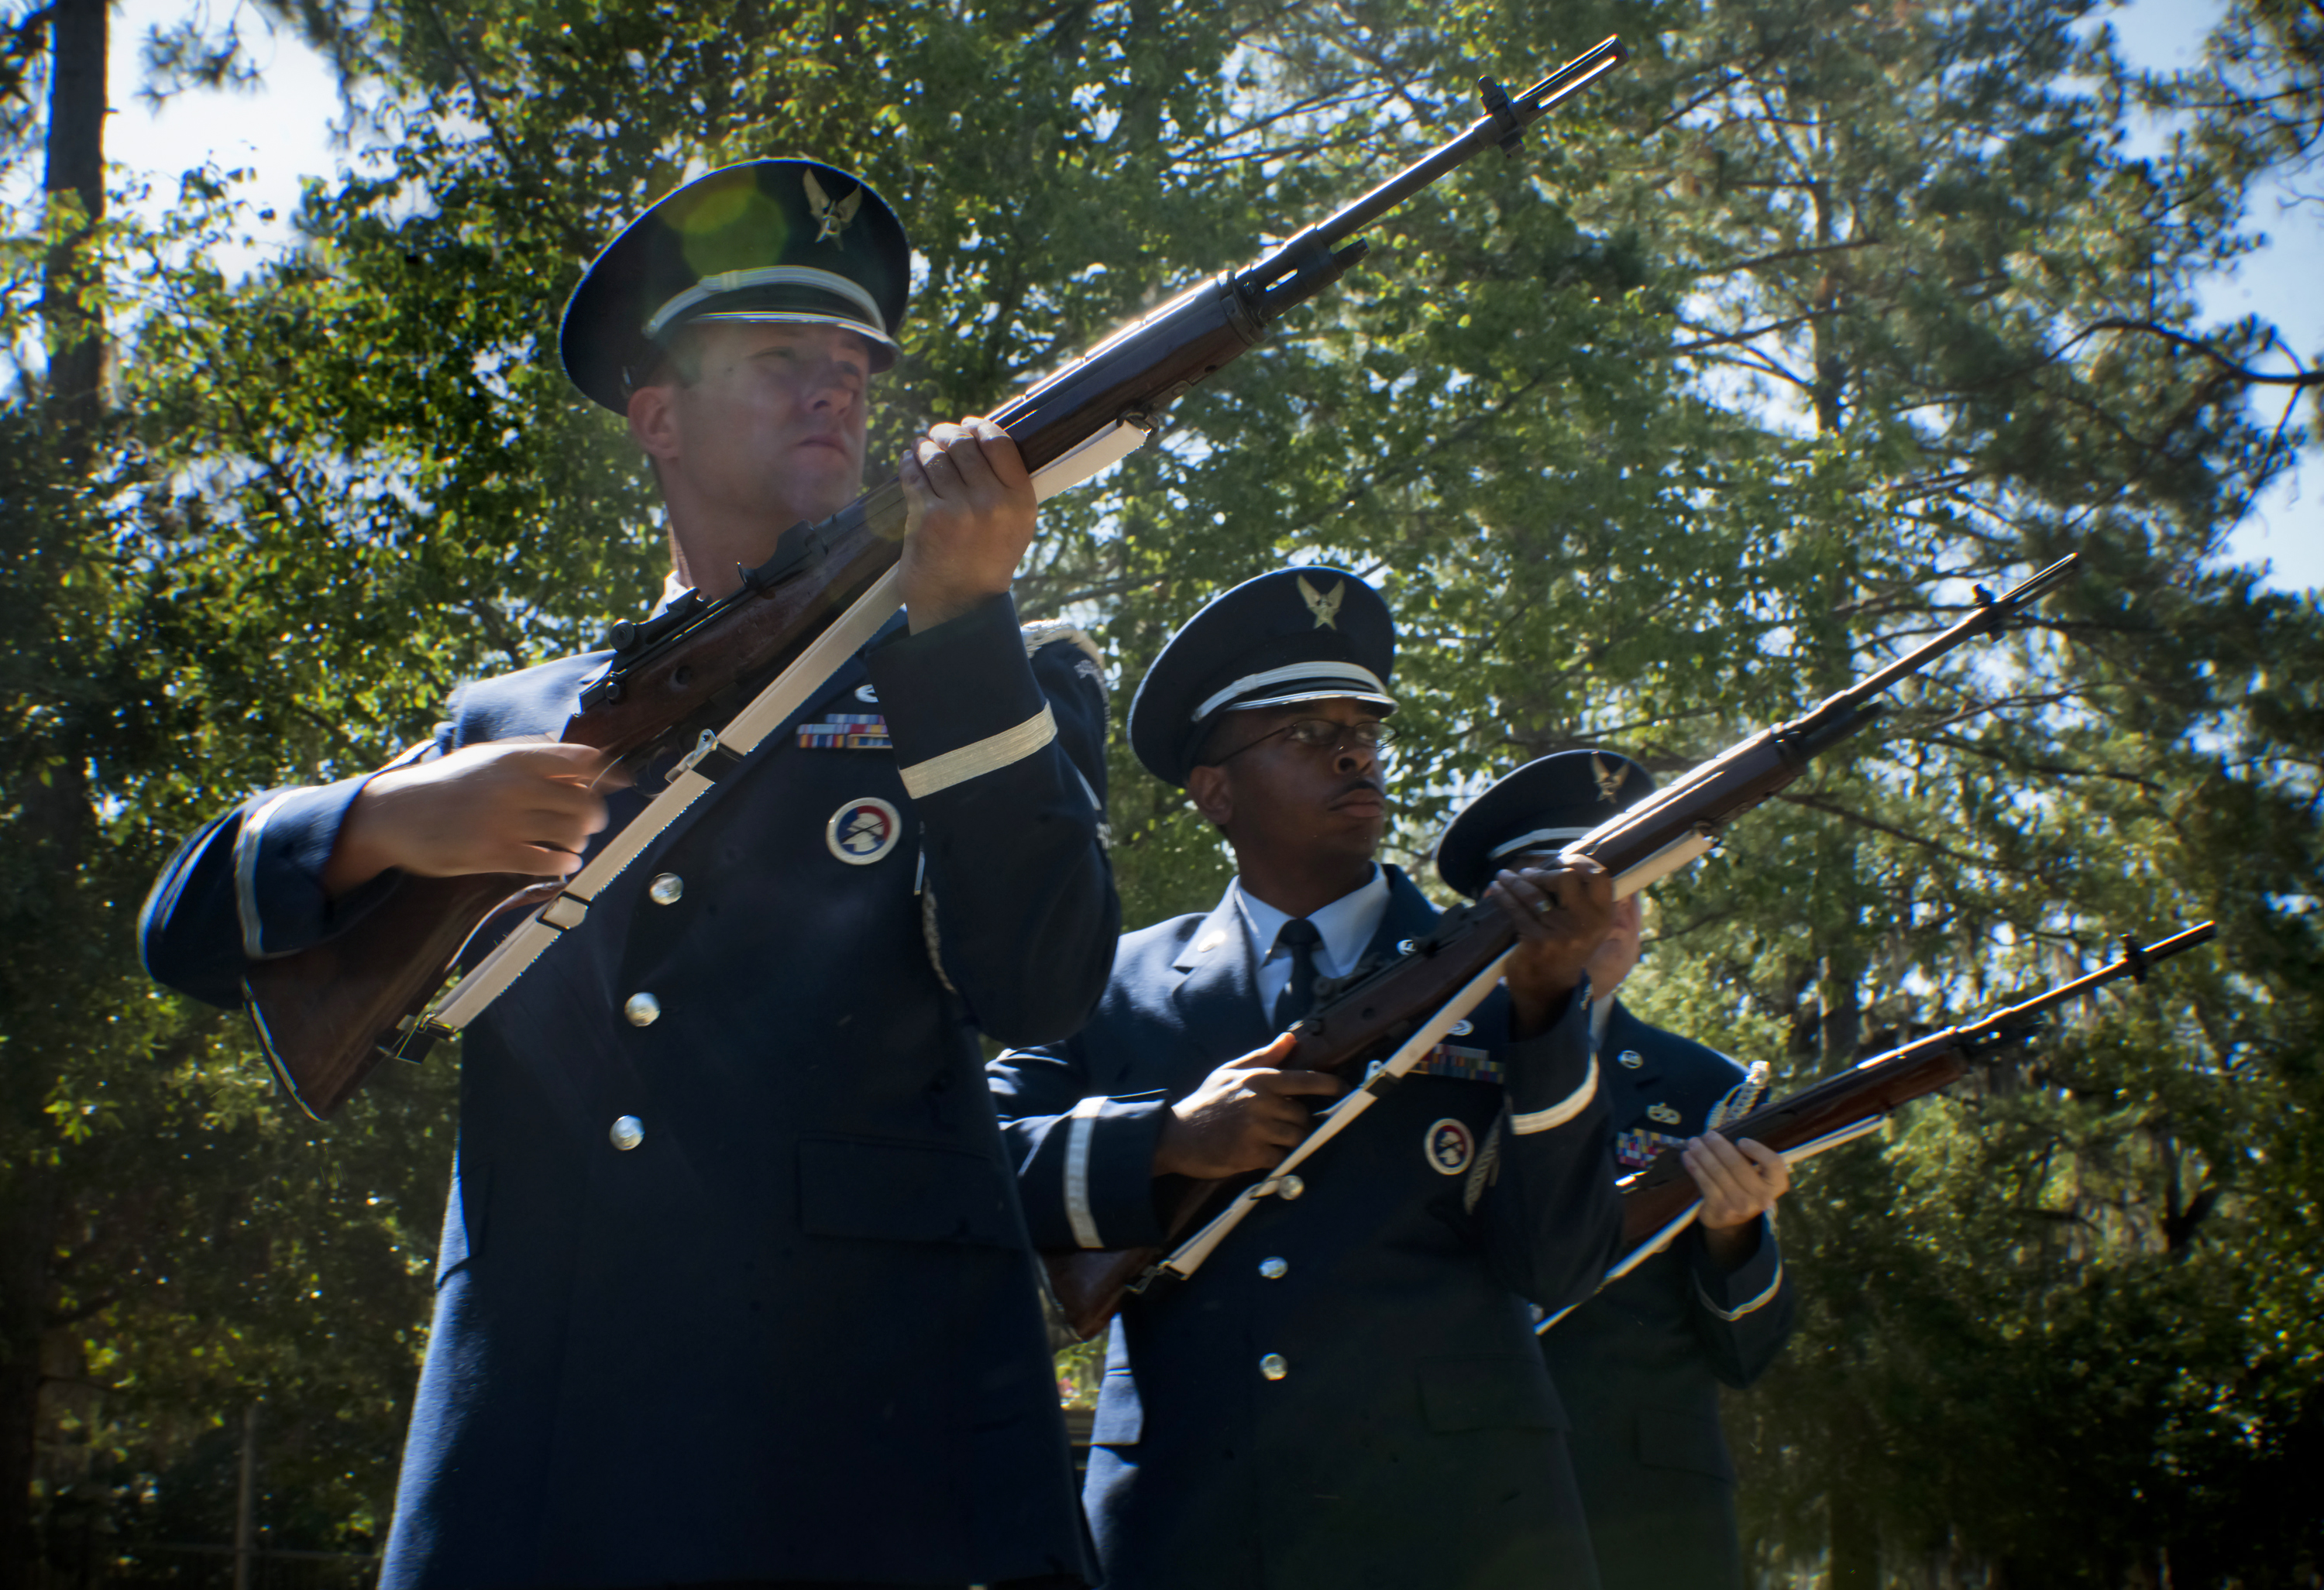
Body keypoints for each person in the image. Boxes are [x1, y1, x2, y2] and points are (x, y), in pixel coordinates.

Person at [139, 160, 1117, 1590]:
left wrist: (960, 624)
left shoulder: (984, 673)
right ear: (656, 417)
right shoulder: (515, 718)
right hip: (557, 1440)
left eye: (851, 363)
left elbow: (1041, 982)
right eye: (781, 358)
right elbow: (186, 932)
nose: (834, 390)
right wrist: (391, 824)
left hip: (871, 1441)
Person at [987, 568, 1623, 1590]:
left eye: (1363, 727)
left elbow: (1563, 1266)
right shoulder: (1114, 984)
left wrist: (1550, 1016)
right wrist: (1166, 1140)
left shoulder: (1503, 974)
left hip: (1453, 1526)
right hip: (1187, 1524)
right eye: (1301, 732)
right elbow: (966, 1156)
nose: (1351, 751)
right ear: (1214, 791)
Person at [1435, 750, 1796, 1590]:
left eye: (1631, 884)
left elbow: (1748, 1354)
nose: (1613, 912)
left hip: (1641, 1510)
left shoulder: (1709, 1086)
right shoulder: (1424, 1066)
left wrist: (1737, 1236)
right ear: (1507, 912)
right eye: (1581, 889)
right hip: (1453, 1494)